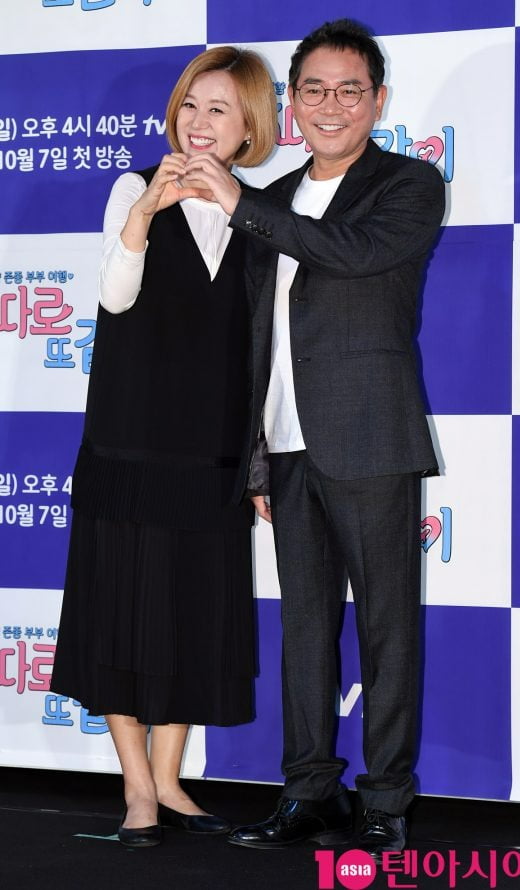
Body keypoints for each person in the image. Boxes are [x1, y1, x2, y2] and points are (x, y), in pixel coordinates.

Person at [180, 19, 445, 857]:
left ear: (378, 99)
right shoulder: (279, 195)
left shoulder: (409, 185)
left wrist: (241, 204)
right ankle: (308, 793)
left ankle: (386, 800)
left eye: (349, 90)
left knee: (386, 631)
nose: (331, 106)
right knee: (304, 631)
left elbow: (350, 254)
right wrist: (258, 452)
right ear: (291, 101)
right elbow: (261, 333)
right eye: (315, 90)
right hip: (288, 449)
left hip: (371, 440)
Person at [50, 46, 277, 848]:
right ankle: (138, 790)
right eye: (189, 105)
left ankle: (172, 779)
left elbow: (265, 348)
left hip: (212, 451)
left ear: (250, 125)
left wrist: (260, 459)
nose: (199, 122)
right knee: (120, 616)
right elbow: (114, 295)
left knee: (192, 619)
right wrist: (148, 208)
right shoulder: (132, 186)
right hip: (130, 446)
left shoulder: (263, 213)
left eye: (219, 108)